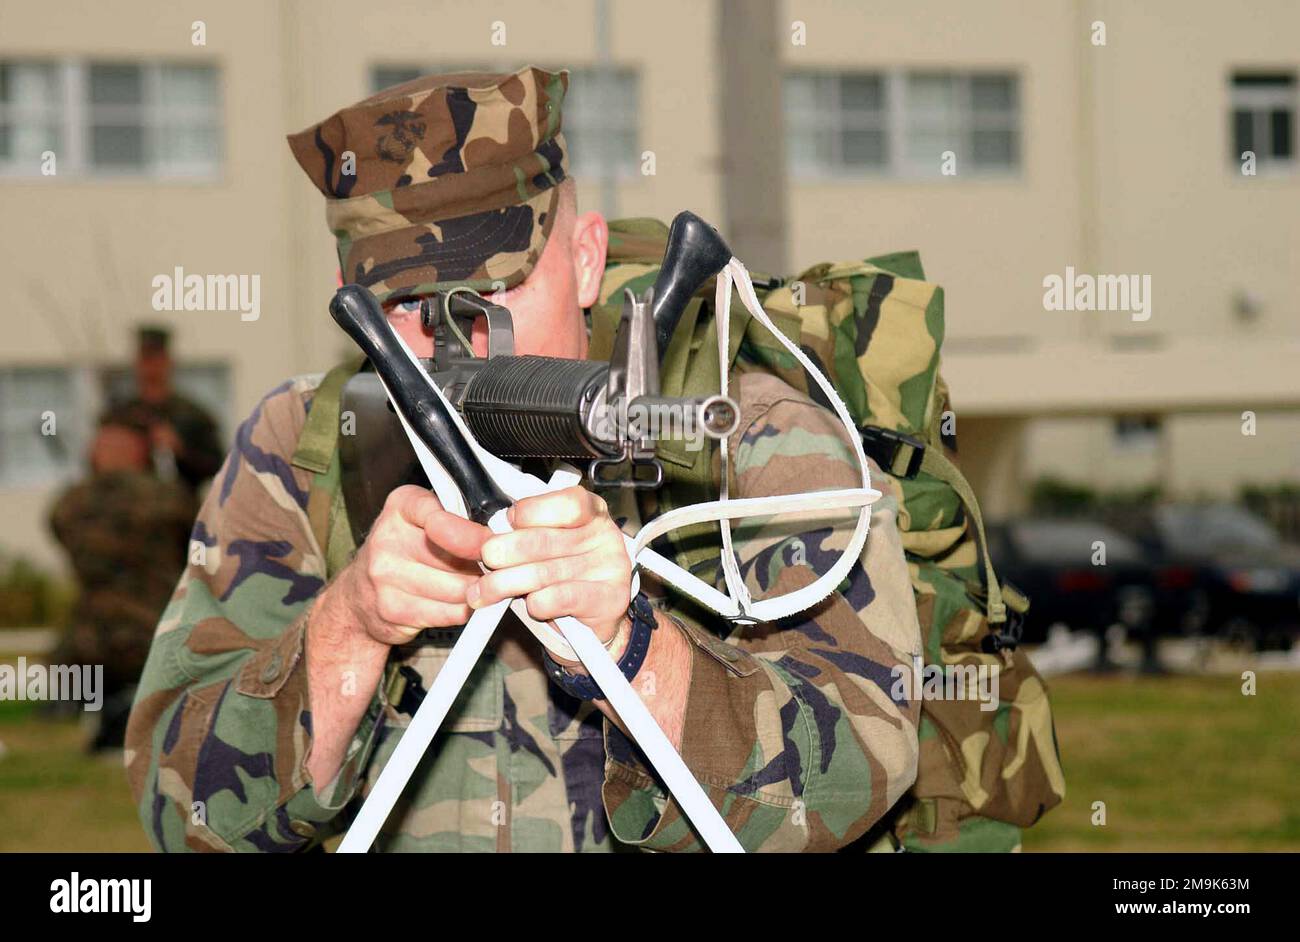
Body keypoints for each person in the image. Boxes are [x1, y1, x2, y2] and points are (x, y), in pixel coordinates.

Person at [126, 67, 923, 852]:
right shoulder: (299, 452)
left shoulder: (754, 440)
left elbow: (859, 779)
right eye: (405, 303)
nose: (456, 340)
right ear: (348, 297)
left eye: (494, 287)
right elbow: (182, 813)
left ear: (585, 257)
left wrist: (632, 650)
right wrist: (350, 629)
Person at [48, 413, 195, 750]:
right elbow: (198, 531)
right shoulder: (167, 497)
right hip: (154, 637)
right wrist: (168, 458)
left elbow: (57, 527)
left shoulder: (72, 502)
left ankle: (98, 711)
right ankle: (126, 713)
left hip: (85, 645)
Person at [110, 326, 223, 494]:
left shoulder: (194, 416)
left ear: (168, 362)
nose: (151, 367)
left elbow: (216, 465)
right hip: (130, 508)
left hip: (180, 509)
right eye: (145, 359)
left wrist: (180, 451)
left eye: (156, 359)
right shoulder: (120, 416)